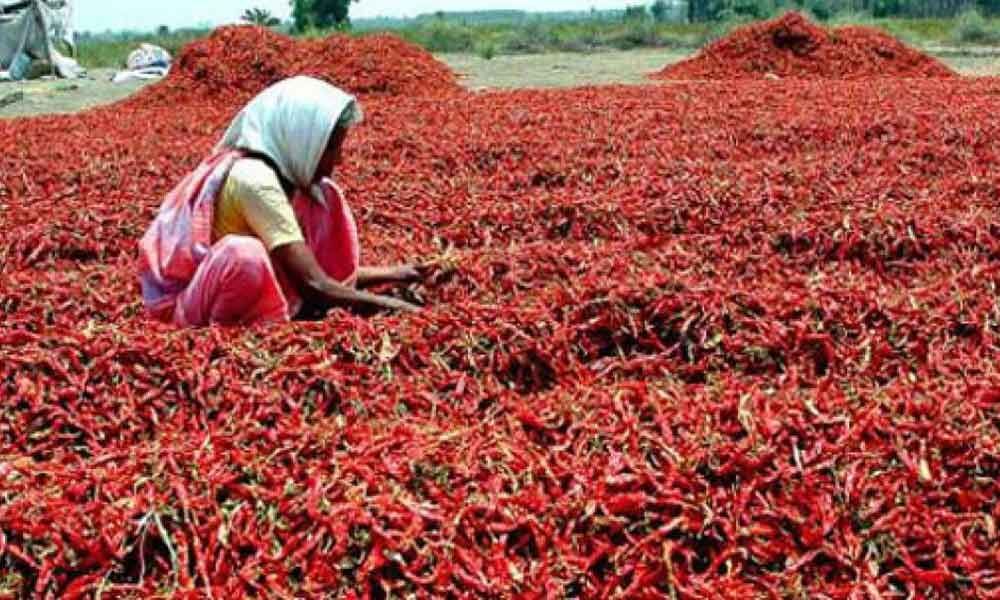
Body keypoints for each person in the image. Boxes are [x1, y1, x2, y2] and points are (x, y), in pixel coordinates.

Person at [138, 76, 421, 327]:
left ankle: (290, 307)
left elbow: (308, 270)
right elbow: (313, 283)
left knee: (324, 196)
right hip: (192, 307)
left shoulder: (289, 184)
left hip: (276, 284)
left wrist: (394, 273)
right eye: (331, 146)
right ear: (299, 138)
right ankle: (232, 331)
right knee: (244, 255)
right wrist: (394, 308)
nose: (339, 158)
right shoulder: (255, 181)